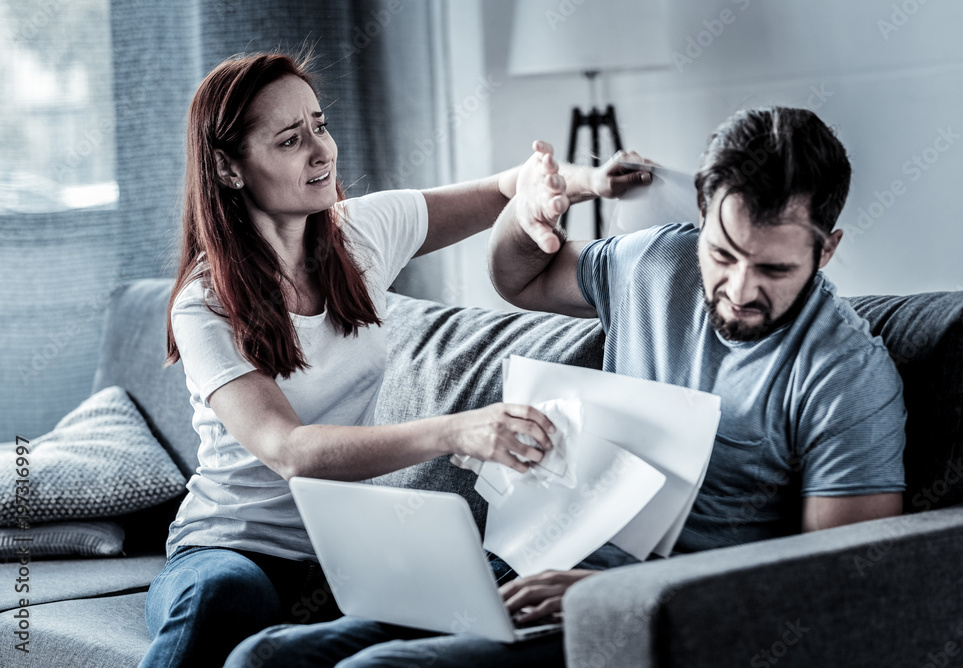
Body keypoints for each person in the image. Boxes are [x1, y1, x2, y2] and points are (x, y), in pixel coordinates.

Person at [225, 106, 907, 667]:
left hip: (656, 618)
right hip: (531, 565)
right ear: (701, 219)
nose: (739, 288)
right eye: (722, 254)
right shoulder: (659, 261)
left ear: (828, 247)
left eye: (774, 268)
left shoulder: (844, 374)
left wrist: (618, 592)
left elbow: (834, 585)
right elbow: (516, 278)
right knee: (264, 658)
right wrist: (530, 220)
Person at [140, 52, 649, 668]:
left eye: (320, 125)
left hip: (348, 554)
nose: (321, 150)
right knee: (227, 596)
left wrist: (593, 182)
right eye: (290, 139)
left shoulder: (360, 236)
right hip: (229, 549)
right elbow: (289, 450)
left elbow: (502, 188)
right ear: (227, 167)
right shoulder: (205, 302)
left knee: (483, 580)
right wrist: (459, 431)